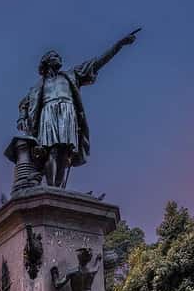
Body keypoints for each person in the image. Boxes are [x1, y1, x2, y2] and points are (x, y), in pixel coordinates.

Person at [16, 29, 139, 187]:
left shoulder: (71, 75)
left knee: (64, 152)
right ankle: (52, 187)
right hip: (48, 112)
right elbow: (24, 104)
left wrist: (119, 45)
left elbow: (97, 63)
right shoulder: (38, 87)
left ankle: (58, 190)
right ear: (46, 62)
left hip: (68, 112)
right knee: (52, 150)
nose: (59, 58)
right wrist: (21, 117)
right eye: (55, 56)